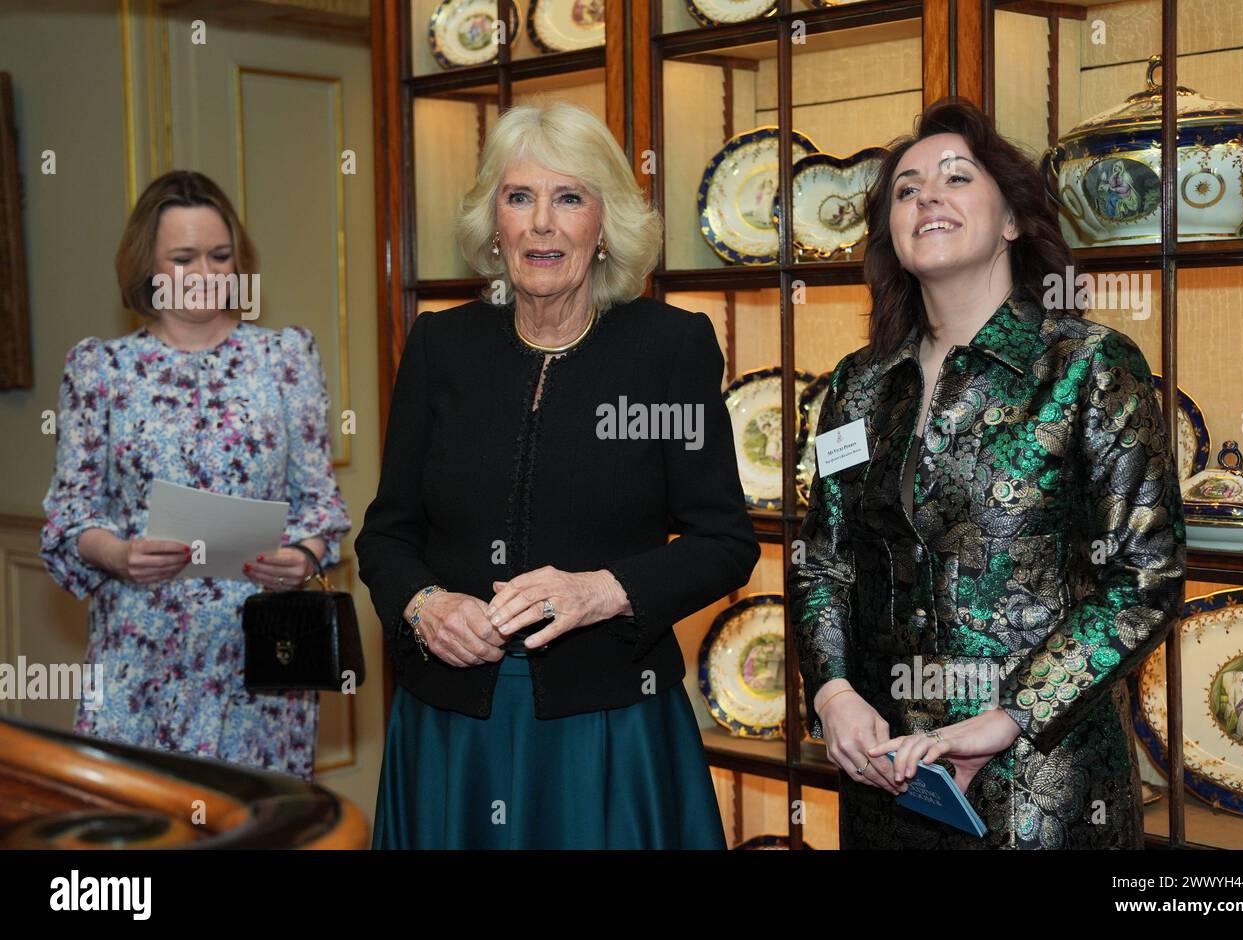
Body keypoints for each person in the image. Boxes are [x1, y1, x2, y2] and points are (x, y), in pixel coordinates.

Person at [357, 101, 759, 849]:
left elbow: (723, 541)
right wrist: (421, 606)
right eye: (519, 197)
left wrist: (600, 592)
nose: (541, 223)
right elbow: (386, 537)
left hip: (608, 727)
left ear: (604, 224)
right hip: (450, 730)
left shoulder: (668, 349)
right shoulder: (442, 346)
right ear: (495, 223)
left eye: (568, 197)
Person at [788, 97, 1185, 849]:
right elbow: (823, 561)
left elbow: (1145, 578)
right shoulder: (859, 384)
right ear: (892, 235)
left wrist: (1008, 719)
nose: (925, 197)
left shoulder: (1087, 365)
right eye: (905, 190)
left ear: (1011, 221)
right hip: (892, 780)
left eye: (955, 178)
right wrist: (835, 693)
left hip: (1043, 782)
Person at [39, 170, 351, 779]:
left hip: (264, 665)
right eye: (183, 259)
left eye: (219, 255)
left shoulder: (285, 358)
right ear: (147, 267)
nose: (206, 274)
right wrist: (118, 553)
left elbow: (321, 509)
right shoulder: (101, 369)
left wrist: (307, 556)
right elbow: (69, 516)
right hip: (138, 658)